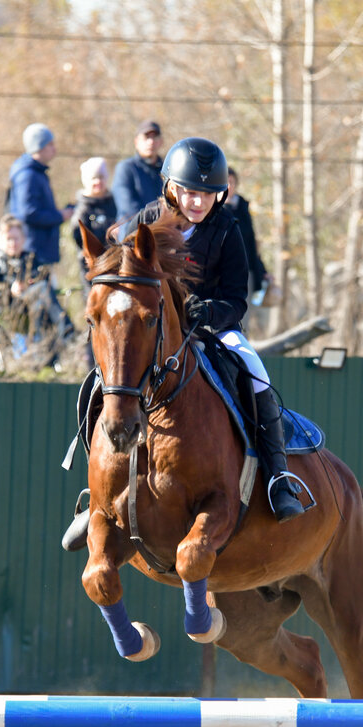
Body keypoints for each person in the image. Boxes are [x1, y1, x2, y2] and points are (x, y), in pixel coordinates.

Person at [62, 136, 302, 551]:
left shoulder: (227, 229)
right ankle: (95, 498)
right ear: (171, 187)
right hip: (155, 328)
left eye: (208, 194)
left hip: (213, 329)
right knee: (102, 383)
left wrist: (207, 313)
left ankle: (278, 477)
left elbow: (236, 297)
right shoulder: (144, 221)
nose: (198, 201)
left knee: (257, 374)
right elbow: (119, 275)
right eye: (190, 192)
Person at [7, 123, 75, 343]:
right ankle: (56, 340)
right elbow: (28, 213)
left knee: (43, 304)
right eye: (50, 144)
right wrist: (60, 216)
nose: (54, 149)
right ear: (40, 146)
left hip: (38, 249)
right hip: (34, 251)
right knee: (39, 305)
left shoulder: (34, 173)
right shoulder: (28, 175)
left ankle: (49, 349)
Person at [0, 215, 63, 356]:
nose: (13, 243)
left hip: (36, 312)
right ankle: (66, 331)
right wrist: (8, 289)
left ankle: (42, 352)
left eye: (16, 238)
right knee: (41, 292)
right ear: (2, 240)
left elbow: (45, 278)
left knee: (41, 291)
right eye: (9, 239)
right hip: (10, 314)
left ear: (23, 239)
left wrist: (29, 285)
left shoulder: (32, 260)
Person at [71, 157, 117, 297]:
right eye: (94, 178)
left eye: (101, 177)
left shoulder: (113, 202)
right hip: (92, 268)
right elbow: (79, 239)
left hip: (115, 263)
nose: (98, 182)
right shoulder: (82, 210)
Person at [225, 166, 271, 300]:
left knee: (244, 315)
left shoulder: (243, 207)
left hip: (246, 272)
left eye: (231, 182)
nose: (228, 187)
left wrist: (262, 270)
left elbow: (250, 243)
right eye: (224, 182)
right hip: (222, 273)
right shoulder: (210, 209)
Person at [111, 119, 164, 222]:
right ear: (136, 142)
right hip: (133, 232)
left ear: (161, 141)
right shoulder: (126, 168)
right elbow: (128, 208)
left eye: (155, 137)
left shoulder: (168, 170)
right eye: (146, 137)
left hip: (163, 231)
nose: (151, 141)